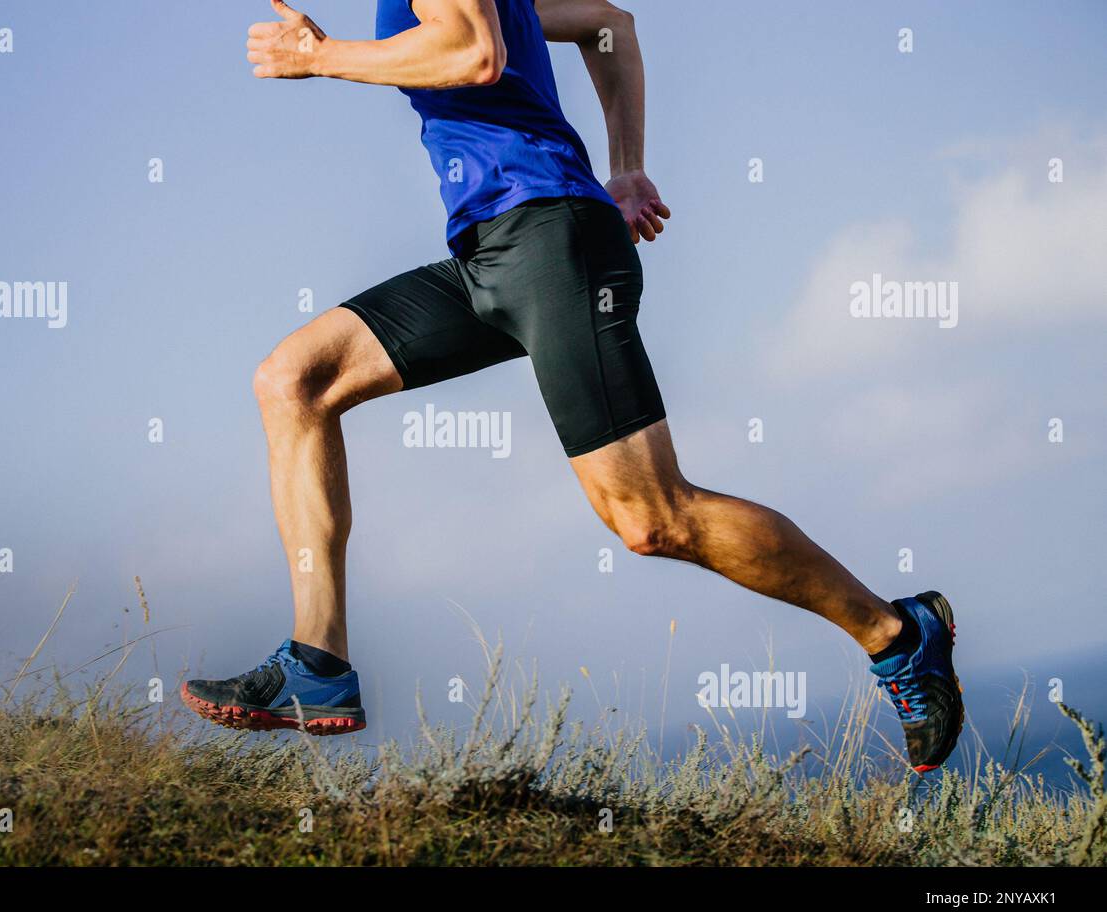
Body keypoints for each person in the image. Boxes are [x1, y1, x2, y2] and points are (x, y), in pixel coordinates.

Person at [181, 0, 964, 773]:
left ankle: (896, 635)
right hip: (492, 253)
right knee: (294, 381)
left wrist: (322, 56)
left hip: (552, 241)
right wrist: (625, 168)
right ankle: (319, 662)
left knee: (650, 517)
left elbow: (471, 53)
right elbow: (609, 24)